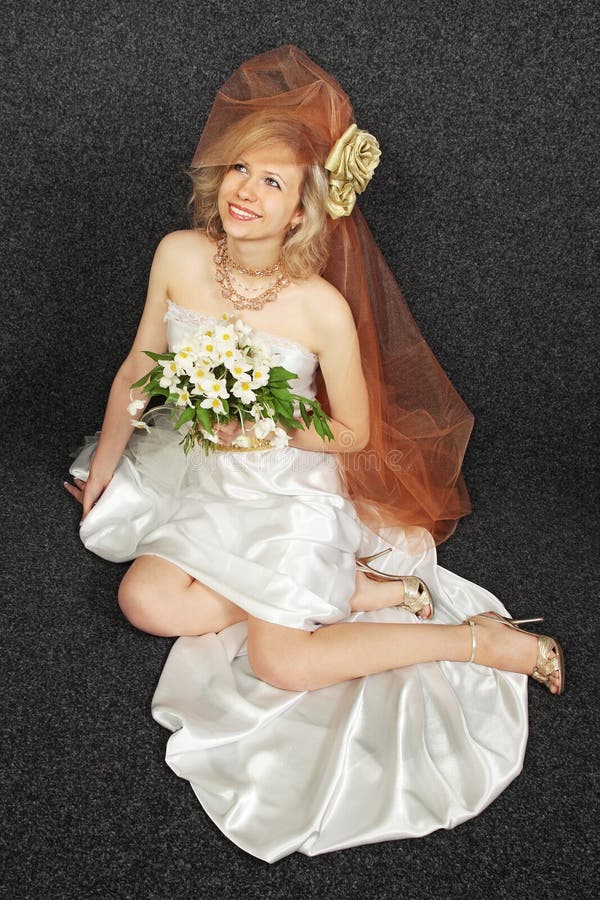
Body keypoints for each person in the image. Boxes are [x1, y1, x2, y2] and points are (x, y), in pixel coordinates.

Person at [65, 46, 563, 862]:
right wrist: (110, 466)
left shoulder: (320, 307)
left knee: (284, 662)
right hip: (204, 480)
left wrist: (263, 424)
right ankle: (352, 590)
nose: (245, 193)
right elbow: (136, 372)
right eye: (239, 171)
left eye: (272, 182)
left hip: (288, 488)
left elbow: (354, 434)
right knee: (145, 602)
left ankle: (477, 638)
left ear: (303, 210)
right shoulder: (179, 256)